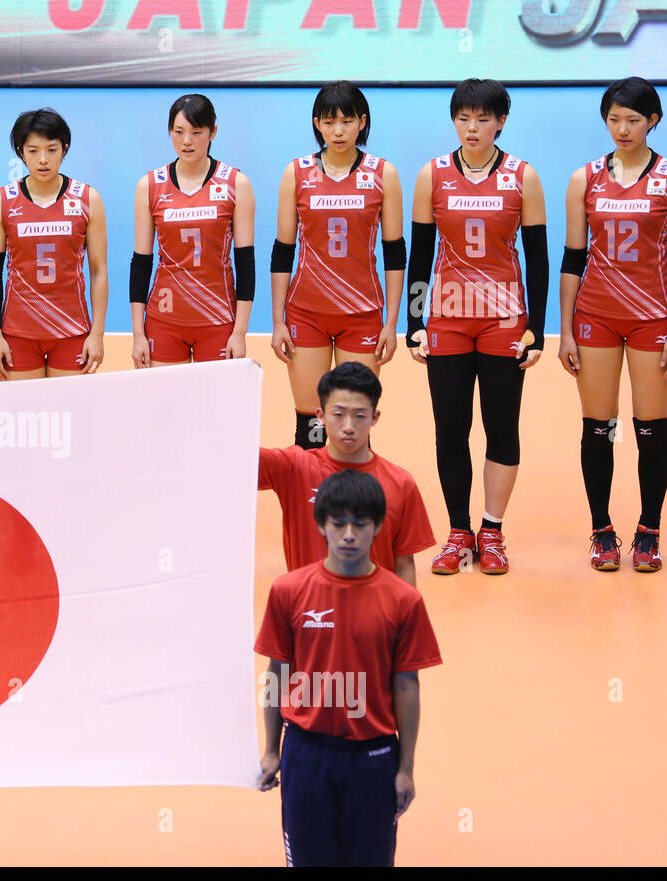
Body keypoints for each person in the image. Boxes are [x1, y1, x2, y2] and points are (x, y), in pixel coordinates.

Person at [255, 469, 442, 867]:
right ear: (321, 525)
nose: (349, 534)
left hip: (373, 757)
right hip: (306, 755)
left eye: (361, 523)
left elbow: (408, 686)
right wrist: (272, 750)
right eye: (338, 523)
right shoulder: (288, 591)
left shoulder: (402, 601)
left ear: (378, 528)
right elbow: (276, 674)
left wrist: (406, 768)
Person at [407, 79, 549, 575]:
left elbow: (537, 259)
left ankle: (492, 531)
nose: (473, 127)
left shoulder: (522, 176)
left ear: (501, 121)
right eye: (464, 118)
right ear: (454, 121)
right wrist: (414, 321)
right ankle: (457, 532)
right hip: (446, 318)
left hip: (504, 320)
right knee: (451, 430)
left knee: (501, 426)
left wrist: (538, 326)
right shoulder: (433, 174)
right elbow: (420, 253)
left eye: (483, 118)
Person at [559, 77, 667, 572]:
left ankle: (649, 530)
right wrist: (565, 324)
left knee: (651, 428)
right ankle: (602, 530)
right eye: (613, 119)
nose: (622, 129)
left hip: (653, 318)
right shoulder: (585, 179)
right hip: (596, 316)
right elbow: (573, 257)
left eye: (633, 119)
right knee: (597, 427)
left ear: (653, 122)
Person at [270, 81, 404, 449]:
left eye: (347, 121)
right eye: (329, 122)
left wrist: (391, 324)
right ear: (317, 125)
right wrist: (279, 321)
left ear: (362, 122)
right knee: (311, 425)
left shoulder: (383, 174)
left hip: (361, 313)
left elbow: (395, 252)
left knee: (354, 422)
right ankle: (309, 504)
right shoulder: (295, 173)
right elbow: (283, 250)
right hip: (306, 313)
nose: (339, 131)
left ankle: (354, 506)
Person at [259, 362, 435, 587]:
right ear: (320, 416)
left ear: (375, 417)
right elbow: (225, 459)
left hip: (373, 615)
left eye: (359, 415)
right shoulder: (293, 468)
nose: (348, 426)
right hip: (311, 615)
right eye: (338, 414)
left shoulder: (401, 483)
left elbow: (404, 565)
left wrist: (406, 618)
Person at [0, 108, 107, 379]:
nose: (43, 160)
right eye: (33, 150)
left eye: (51, 150)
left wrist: (96, 334)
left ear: (65, 148)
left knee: (71, 417)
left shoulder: (88, 199)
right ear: (20, 151)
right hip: (18, 334)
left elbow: (98, 271)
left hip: (72, 331)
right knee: (23, 418)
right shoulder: (1, 201)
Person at [130, 93, 255, 367]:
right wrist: (138, 334)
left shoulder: (236, 184)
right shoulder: (149, 186)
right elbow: (141, 264)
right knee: (166, 409)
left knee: (215, 409)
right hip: (164, 320)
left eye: (196, 132)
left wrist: (240, 331)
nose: (187, 141)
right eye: (179, 132)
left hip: (218, 320)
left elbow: (245, 263)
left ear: (213, 133)